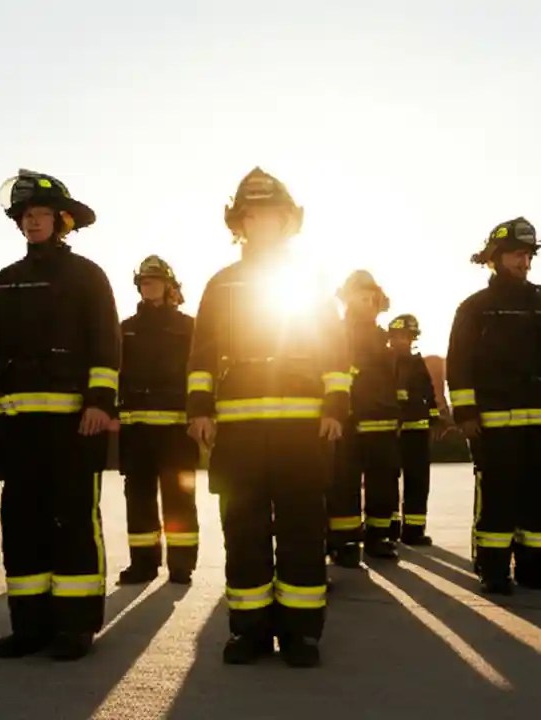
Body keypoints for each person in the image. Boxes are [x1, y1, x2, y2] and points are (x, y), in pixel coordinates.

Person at [187, 167, 349, 668]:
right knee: (244, 530)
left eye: (273, 216)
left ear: (287, 222)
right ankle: (250, 629)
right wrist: (198, 409)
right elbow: (202, 354)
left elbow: (334, 349)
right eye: (252, 216)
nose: (263, 224)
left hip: (302, 428)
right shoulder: (221, 283)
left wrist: (335, 405)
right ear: (241, 222)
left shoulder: (309, 281)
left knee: (302, 529)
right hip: (238, 431)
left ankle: (301, 634)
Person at [0, 169, 119, 661]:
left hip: (73, 425)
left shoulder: (87, 276)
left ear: (62, 220)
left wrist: (99, 403)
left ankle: (76, 626)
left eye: (40, 214)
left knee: (73, 521)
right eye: (25, 216)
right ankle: (30, 624)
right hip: (18, 428)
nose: (31, 222)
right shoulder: (5, 282)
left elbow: (106, 343)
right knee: (22, 524)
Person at [447, 217, 541, 595]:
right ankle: (493, 570)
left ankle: (535, 567)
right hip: (495, 422)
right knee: (498, 499)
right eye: (517, 256)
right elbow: (458, 364)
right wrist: (466, 413)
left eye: (527, 256)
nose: (524, 263)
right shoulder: (475, 308)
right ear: (495, 258)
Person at [117, 255, 199, 585]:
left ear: (169, 287)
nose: (147, 285)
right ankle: (143, 563)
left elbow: (198, 373)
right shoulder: (126, 329)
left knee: (179, 499)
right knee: (138, 498)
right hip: (136, 429)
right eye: (143, 281)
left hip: (177, 429)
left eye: (153, 280)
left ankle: (181, 565)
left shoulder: (188, 328)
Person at [328, 270, 400, 565]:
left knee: (383, 483)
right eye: (362, 295)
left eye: (373, 297)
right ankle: (344, 543)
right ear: (348, 299)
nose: (369, 301)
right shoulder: (336, 333)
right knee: (343, 483)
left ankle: (378, 537)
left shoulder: (383, 337)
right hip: (349, 421)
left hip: (382, 421)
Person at [388, 313, 438, 546]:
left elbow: (429, 394)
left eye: (406, 336)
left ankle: (414, 529)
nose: (401, 341)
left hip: (418, 430)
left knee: (418, 481)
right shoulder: (385, 362)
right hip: (393, 431)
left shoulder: (418, 363)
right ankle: (390, 526)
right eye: (397, 336)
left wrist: (436, 419)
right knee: (388, 480)